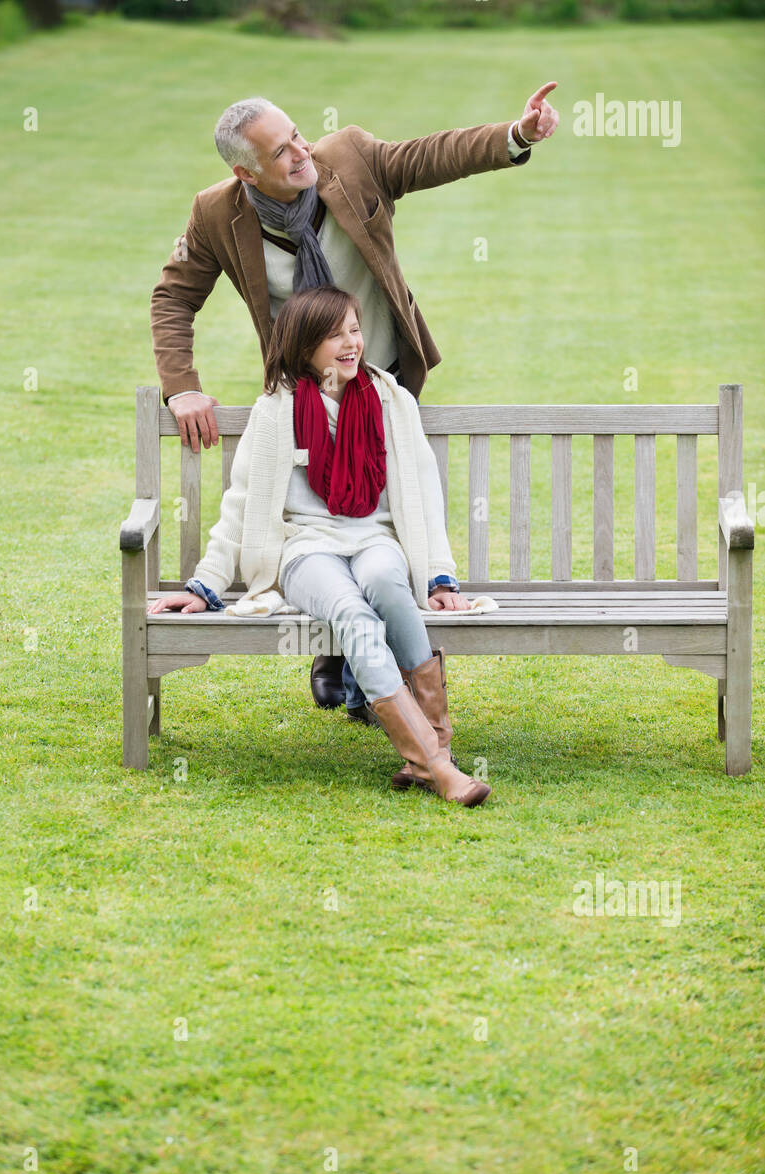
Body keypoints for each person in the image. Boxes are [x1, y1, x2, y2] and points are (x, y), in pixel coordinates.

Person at [150, 88, 559, 717]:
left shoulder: (348, 158)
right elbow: (174, 298)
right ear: (244, 172)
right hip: (304, 394)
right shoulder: (216, 215)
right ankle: (342, 651)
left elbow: (432, 156)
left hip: (382, 373)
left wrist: (517, 135)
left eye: (297, 135)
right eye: (280, 151)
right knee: (319, 517)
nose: (299, 152)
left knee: (377, 519)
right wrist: (181, 386)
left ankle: (388, 674)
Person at [150, 285, 493, 809]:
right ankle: (438, 766)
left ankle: (432, 749)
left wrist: (440, 577)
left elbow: (424, 493)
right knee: (352, 616)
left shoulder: (390, 399)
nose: (351, 343)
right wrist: (204, 585)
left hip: (376, 538)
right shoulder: (278, 409)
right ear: (305, 345)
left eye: (355, 329)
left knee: (386, 584)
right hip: (306, 549)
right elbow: (241, 504)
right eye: (335, 335)